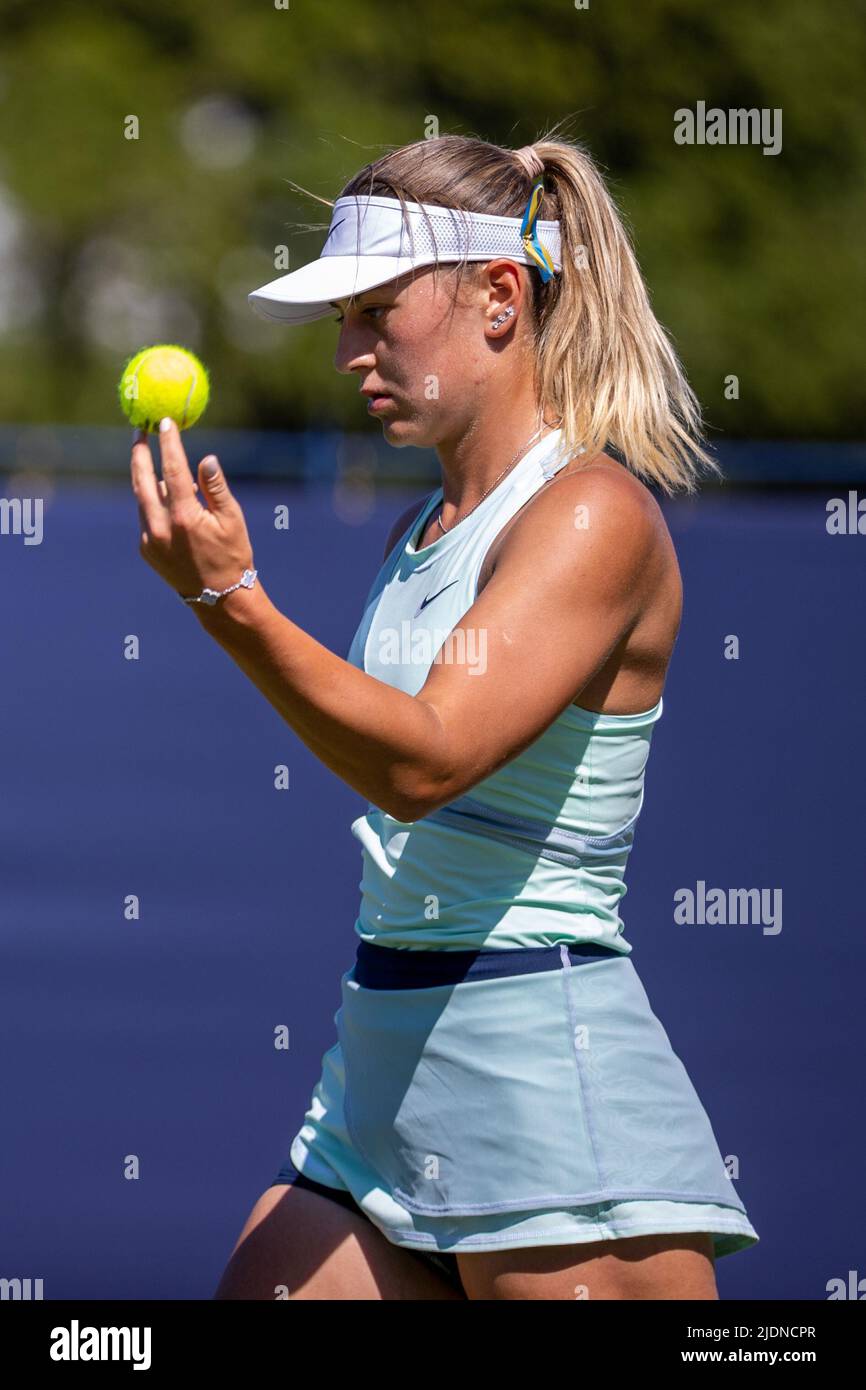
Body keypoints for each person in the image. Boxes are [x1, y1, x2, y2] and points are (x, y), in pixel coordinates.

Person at [130, 131, 759, 1300]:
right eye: (343, 320)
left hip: (543, 1096)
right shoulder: (411, 536)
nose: (347, 353)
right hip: (374, 1080)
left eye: (376, 311)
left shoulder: (590, 515)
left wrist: (230, 598)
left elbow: (425, 763)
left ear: (499, 298)